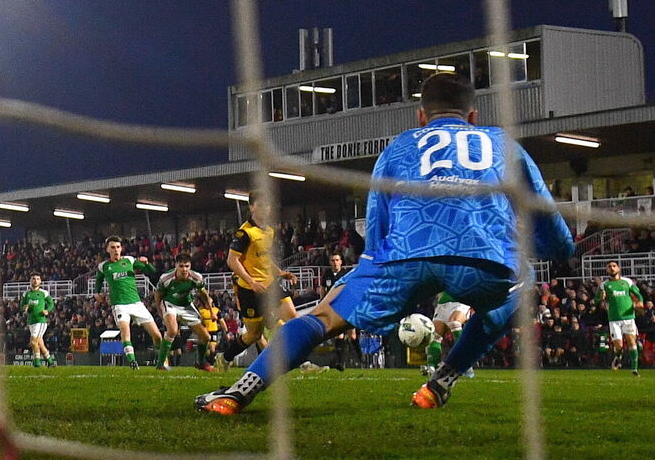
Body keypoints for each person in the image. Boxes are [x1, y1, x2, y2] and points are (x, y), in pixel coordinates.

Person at [196, 71, 574, 414]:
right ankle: (440, 384)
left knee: (323, 318)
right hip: (481, 260)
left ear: (421, 116)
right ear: (473, 117)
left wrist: (367, 273)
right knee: (516, 290)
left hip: (405, 257)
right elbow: (553, 229)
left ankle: (238, 393)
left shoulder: (399, 147)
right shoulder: (504, 144)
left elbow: (376, 228)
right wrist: (536, 251)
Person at [216, 191, 299, 369]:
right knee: (253, 334)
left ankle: (299, 361)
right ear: (251, 207)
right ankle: (225, 358)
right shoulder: (244, 233)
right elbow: (232, 260)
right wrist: (251, 281)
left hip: (270, 284)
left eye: (267, 205)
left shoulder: (269, 231)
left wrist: (280, 273)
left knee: (292, 317)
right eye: (260, 205)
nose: (264, 209)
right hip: (250, 289)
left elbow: (264, 259)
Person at [94, 236, 169, 369]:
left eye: (118, 247)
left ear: (121, 248)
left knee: (157, 336)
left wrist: (146, 263)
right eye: (113, 247)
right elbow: (99, 280)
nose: (116, 250)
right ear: (107, 249)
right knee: (125, 332)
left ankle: (162, 362)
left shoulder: (129, 260)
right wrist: (97, 293)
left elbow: (151, 271)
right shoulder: (104, 266)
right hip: (119, 305)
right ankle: (132, 361)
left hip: (136, 304)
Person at [154, 252, 218, 372]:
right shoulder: (166, 278)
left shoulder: (196, 277)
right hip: (170, 303)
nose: (184, 269)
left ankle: (200, 362)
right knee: (172, 330)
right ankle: (160, 364)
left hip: (186, 305)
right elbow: (158, 295)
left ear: (190, 266)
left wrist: (211, 311)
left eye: (187, 266)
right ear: (176, 265)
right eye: (181, 266)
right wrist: (160, 312)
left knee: (206, 336)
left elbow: (204, 294)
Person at [600, 261, 644, 376]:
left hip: (628, 317)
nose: (612, 268)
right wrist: (601, 298)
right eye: (609, 266)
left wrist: (640, 303)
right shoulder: (604, 285)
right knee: (619, 345)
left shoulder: (627, 282)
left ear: (618, 268)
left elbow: (638, 294)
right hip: (614, 319)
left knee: (631, 342)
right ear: (607, 270)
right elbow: (596, 301)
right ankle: (618, 355)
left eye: (614, 266)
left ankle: (634, 369)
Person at [320, 252, 360, 371]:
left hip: (346, 306)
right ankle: (341, 362)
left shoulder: (345, 275)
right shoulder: (327, 275)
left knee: (352, 335)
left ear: (341, 262)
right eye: (333, 260)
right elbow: (323, 289)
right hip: (333, 308)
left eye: (337, 260)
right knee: (339, 334)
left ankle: (360, 358)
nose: (335, 262)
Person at [427, 292, 474, 377]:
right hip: (442, 304)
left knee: (454, 323)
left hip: (460, 302)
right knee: (435, 335)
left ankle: (465, 362)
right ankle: (432, 366)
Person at [21, 274, 55, 367]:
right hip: (31, 321)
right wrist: (25, 308)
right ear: (30, 281)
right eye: (33, 279)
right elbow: (21, 307)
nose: (35, 281)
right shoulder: (26, 294)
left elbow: (51, 303)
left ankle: (37, 362)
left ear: (40, 281)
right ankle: (50, 361)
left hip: (40, 321)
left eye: (38, 279)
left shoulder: (44, 293)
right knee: (40, 343)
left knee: (33, 341)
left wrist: (47, 310)